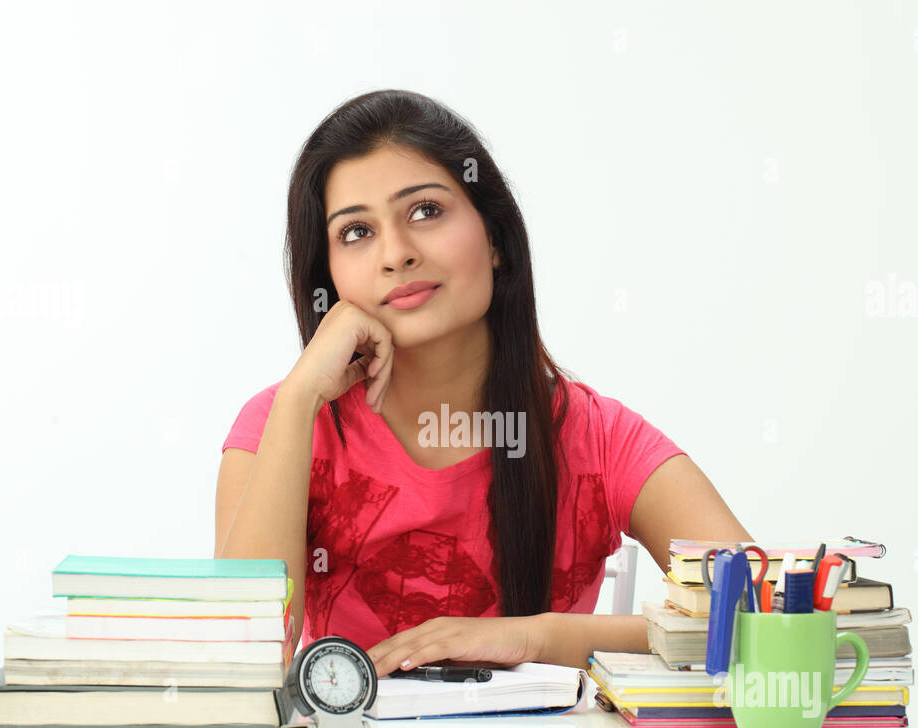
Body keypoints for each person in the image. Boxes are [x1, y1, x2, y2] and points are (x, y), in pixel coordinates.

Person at [215, 89, 750, 675]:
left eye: (425, 211)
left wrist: (533, 639)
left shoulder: (597, 436)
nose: (395, 254)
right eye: (356, 232)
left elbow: (764, 616)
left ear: (494, 238)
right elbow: (240, 654)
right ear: (330, 275)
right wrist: (298, 397)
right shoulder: (281, 421)